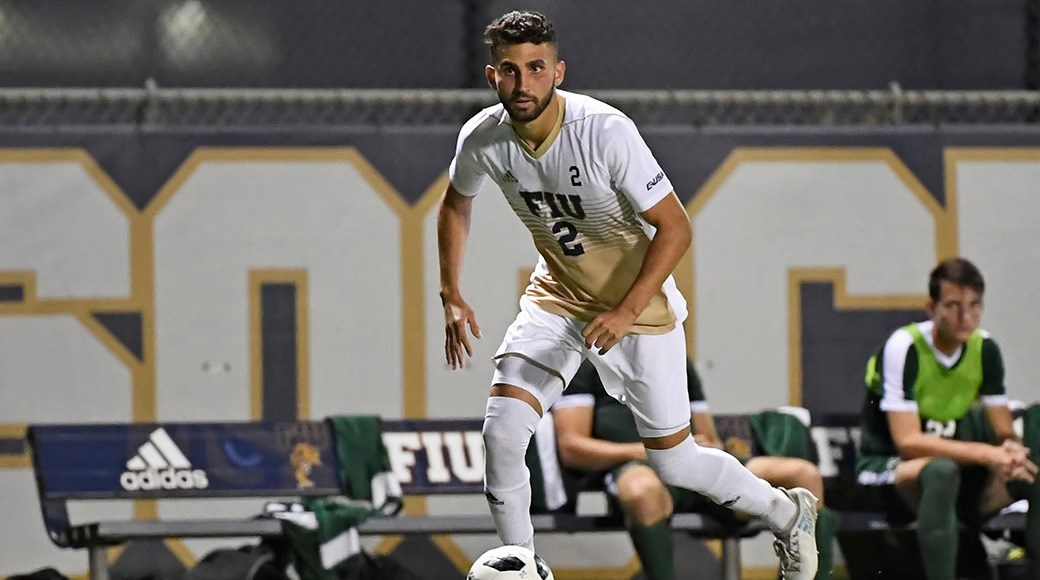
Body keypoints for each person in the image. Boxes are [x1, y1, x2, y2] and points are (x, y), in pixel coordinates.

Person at [436, 9, 818, 578]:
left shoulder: (604, 131)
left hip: (637, 311)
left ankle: (787, 515)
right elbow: (455, 202)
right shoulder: (483, 138)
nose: (523, 83)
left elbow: (676, 226)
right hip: (557, 299)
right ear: (493, 78)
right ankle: (521, 568)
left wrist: (625, 309)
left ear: (558, 71)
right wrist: (450, 291)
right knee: (502, 430)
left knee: (678, 463)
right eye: (509, 71)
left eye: (536, 68)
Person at [553, 358, 838, 580]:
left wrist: (704, 448)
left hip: (691, 461)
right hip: (634, 464)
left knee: (803, 475)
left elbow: (709, 437)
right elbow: (573, 448)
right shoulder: (586, 361)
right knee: (641, 490)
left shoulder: (672, 354)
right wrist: (648, 450)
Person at [857, 257, 1040, 579]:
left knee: (1029, 464)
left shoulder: (985, 349)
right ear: (931, 307)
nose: (965, 316)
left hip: (958, 478)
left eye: (974, 305)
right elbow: (908, 442)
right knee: (941, 471)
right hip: (889, 470)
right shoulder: (904, 346)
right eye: (953, 305)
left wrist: (1011, 451)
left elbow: (1003, 431)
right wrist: (987, 454)